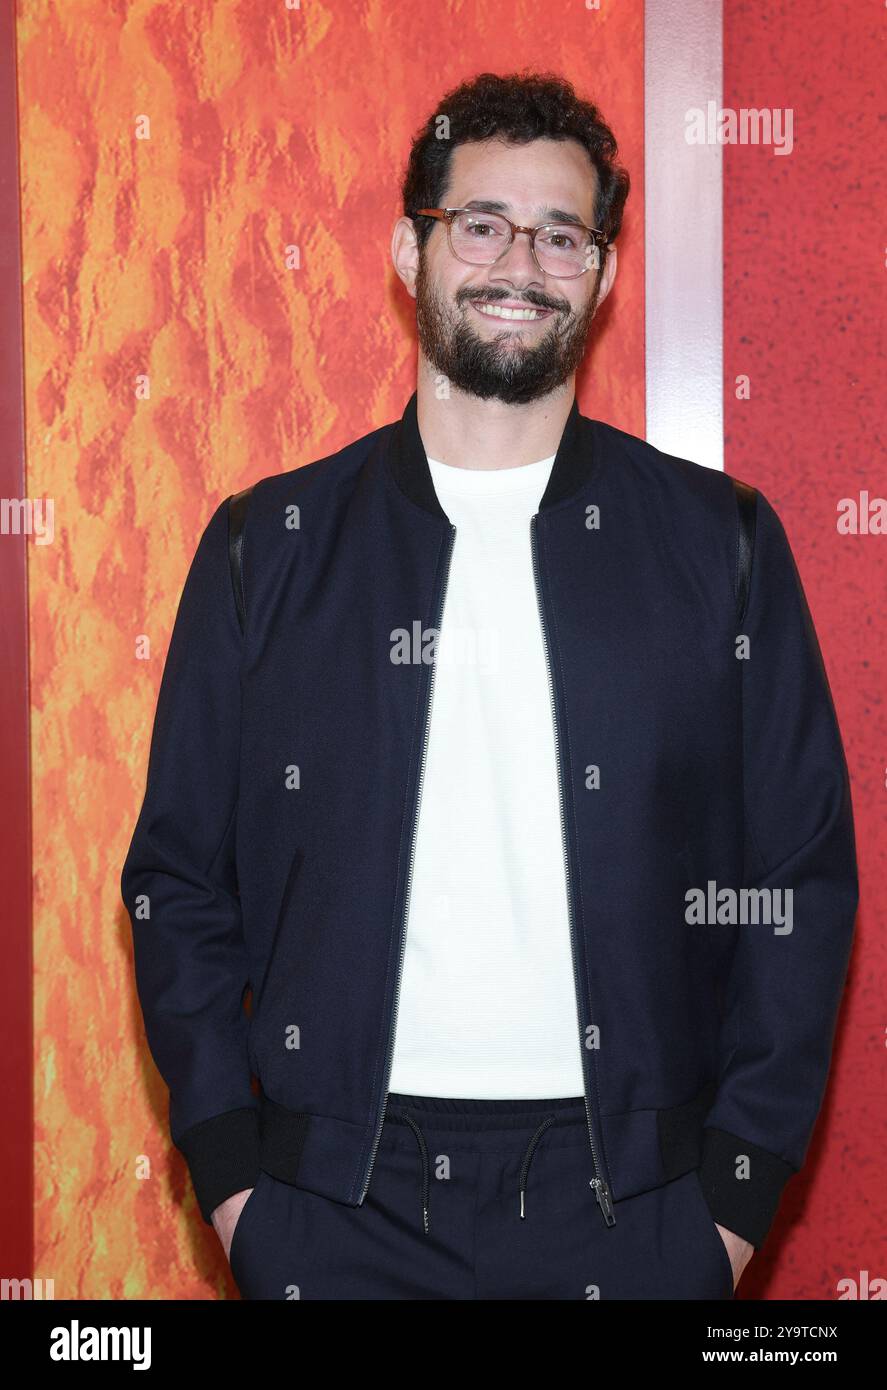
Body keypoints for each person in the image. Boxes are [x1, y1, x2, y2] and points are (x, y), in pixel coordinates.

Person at [121, 71, 858, 1300]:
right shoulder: (268, 545)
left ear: (602, 275)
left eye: (559, 233)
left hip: (636, 1217)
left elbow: (795, 879)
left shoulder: (718, 541)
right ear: (411, 251)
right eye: (479, 224)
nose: (518, 262)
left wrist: (730, 1198)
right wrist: (237, 1181)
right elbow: (177, 880)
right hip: (328, 1210)